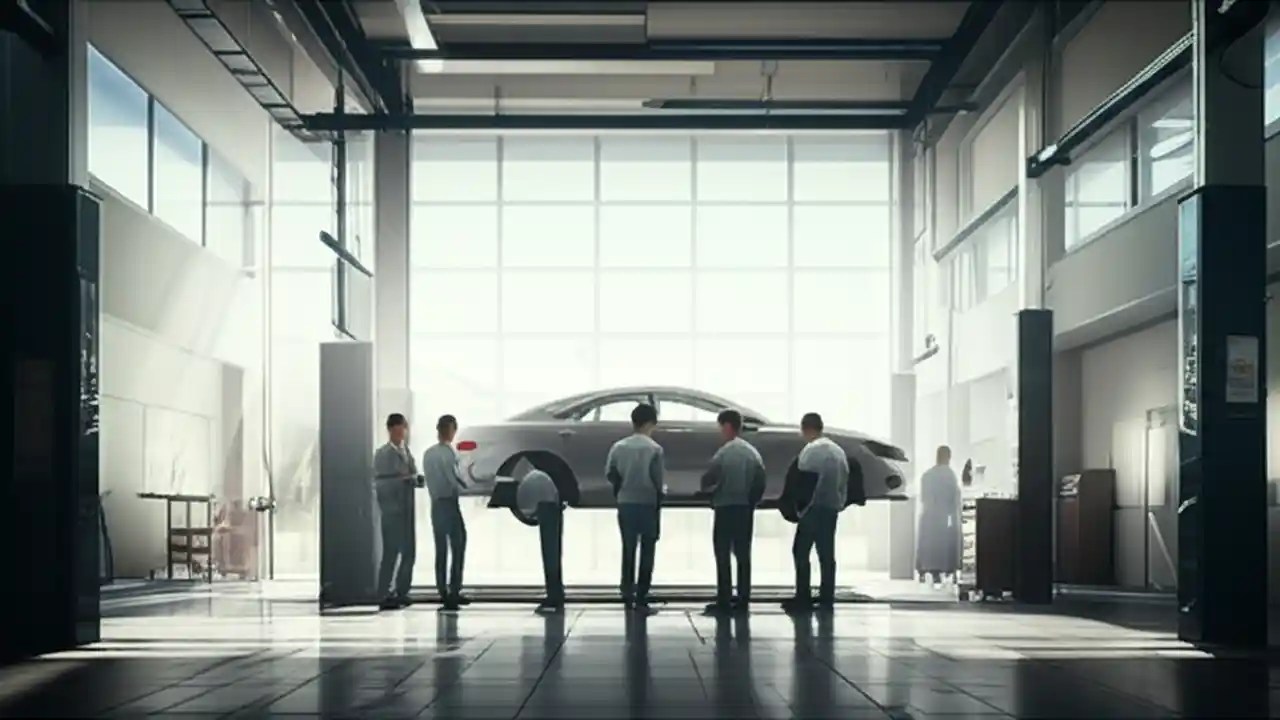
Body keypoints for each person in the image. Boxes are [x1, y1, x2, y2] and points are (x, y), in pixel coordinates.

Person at [701, 409, 766, 615]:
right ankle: (743, 599)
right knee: (743, 555)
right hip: (744, 510)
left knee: (722, 555)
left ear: (728, 426)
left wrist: (708, 494)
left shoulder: (723, 453)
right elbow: (760, 483)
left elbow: (709, 480)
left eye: (721, 427)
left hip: (724, 508)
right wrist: (751, 503)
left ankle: (724, 598)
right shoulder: (753, 454)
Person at [783, 412, 849, 613]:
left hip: (812, 508)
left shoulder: (810, 451)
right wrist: (839, 504)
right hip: (831, 508)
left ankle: (803, 596)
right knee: (826, 554)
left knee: (801, 551)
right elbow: (845, 482)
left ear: (806, 429)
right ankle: (826, 597)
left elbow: (805, 484)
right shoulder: (838, 451)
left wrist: (800, 509)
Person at [606, 403, 665, 612]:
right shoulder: (655, 449)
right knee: (648, 550)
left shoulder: (618, 447)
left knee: (628, 548)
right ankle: (642, 595)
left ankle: (626, 592)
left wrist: (621, 489)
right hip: (648, 502)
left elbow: (610, 474)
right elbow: (658, 480)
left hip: (625, 502)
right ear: (650, 423)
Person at [373, 413, 421, 610]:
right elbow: (380, 482)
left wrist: (415, 479)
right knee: (391, 553)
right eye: (399, 428)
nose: (403, 432)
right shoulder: (382, 454)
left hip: (407, 510)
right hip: (392, 511)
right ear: (391, 429)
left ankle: (402, 591)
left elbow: (411, 473)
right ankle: (384, 593)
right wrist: (404, 480)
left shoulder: (406, 451)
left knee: (409, 552)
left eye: (404, 428)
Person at [422, 414, 469, 611]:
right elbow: (453, 478)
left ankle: (443, 591)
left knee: (441, 549)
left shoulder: (428, 453)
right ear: (452, 431)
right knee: (458, 544)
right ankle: (454, 590)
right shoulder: (449, 453)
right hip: (449, 503)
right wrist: (467, 486)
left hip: (435, 504)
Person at [517, 468, 564, 612]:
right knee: (554, 555)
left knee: (549, 555)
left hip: (546, 508)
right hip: (553, 507)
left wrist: (533, 515)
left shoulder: (530, 479)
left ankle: (553, 596)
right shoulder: (542, 476)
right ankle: (556, 593)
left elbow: (528, 506)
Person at [916, 445, 962, 585]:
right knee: (944, 545)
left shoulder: (927, 475)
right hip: (945, 516)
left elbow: (924, 498)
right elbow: (954, 499)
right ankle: (946, 570)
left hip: (929, 515)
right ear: (948, 457)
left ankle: (928, 571)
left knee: (929, 545)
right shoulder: (950, 475)